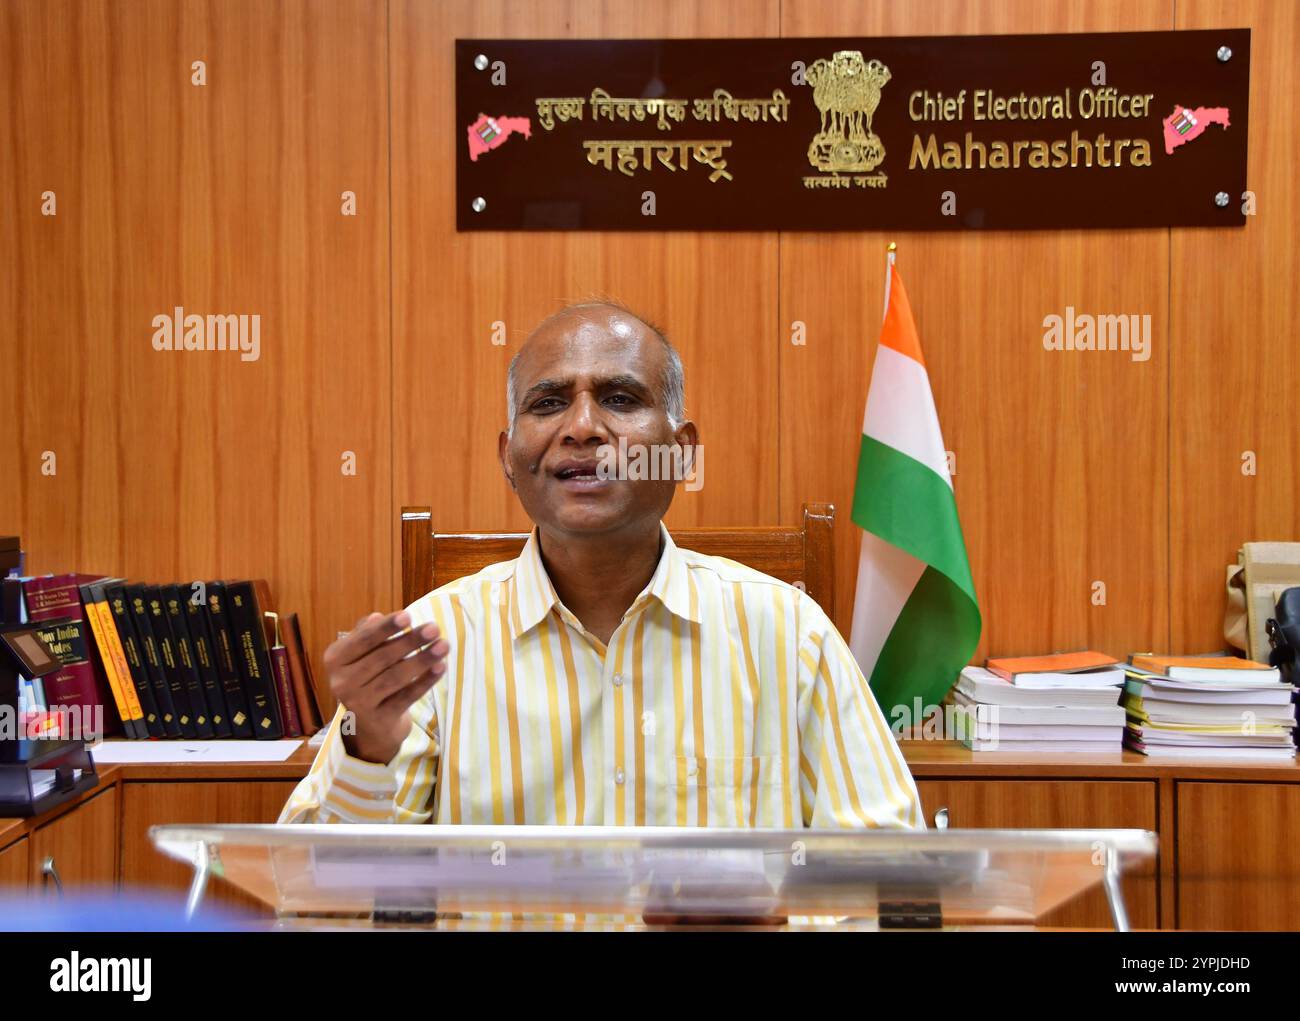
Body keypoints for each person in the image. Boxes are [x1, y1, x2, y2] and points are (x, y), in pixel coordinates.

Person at [280, 301, 923, 829]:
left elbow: (888, 879)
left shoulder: (787, 635)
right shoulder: (432, 644)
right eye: (548, 403)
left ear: (681, 451)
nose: (582, 427)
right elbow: (321, 901)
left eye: (619, 399)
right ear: (510, 455)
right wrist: (368, 747)